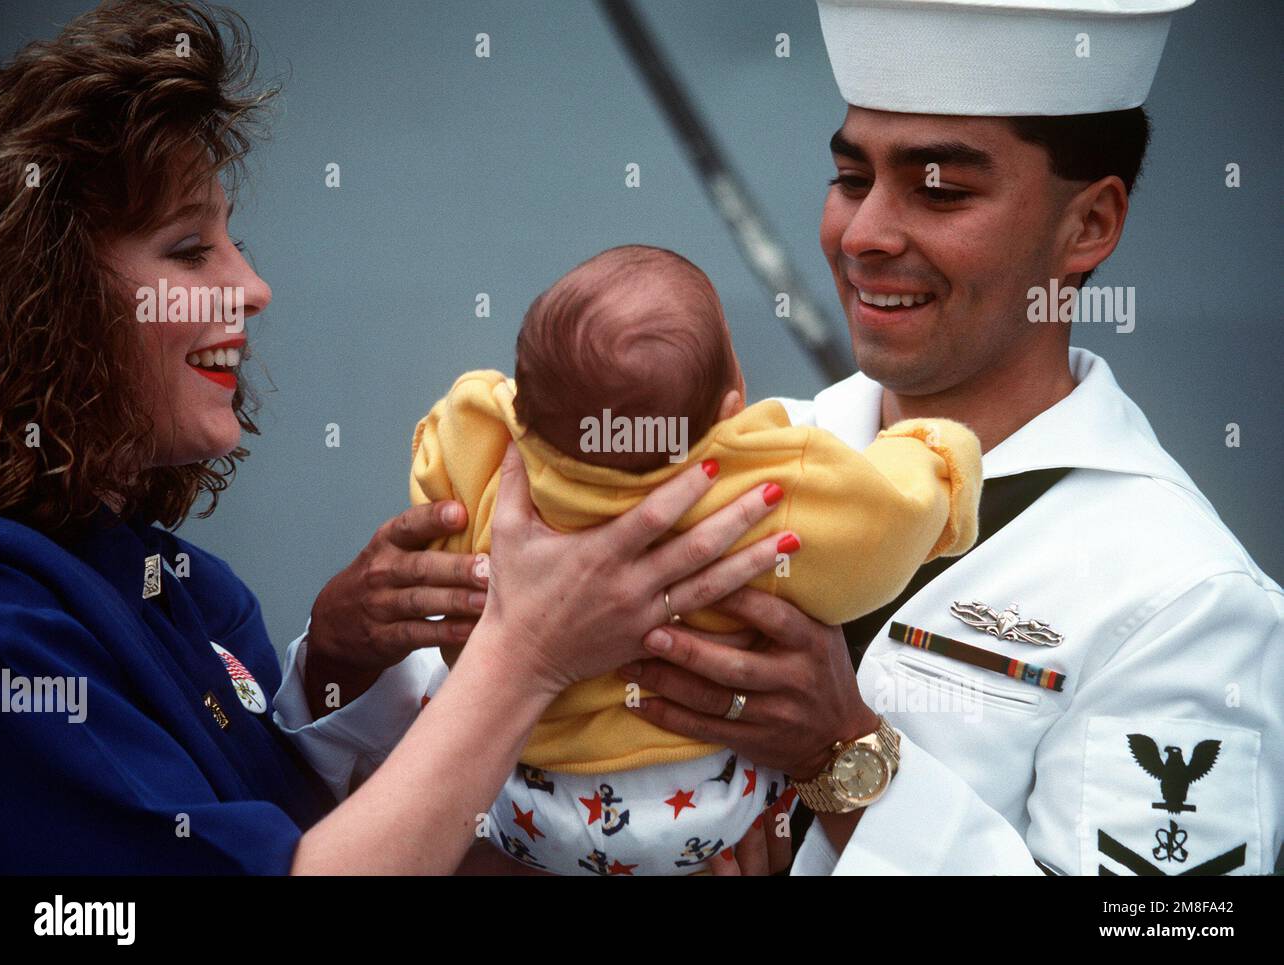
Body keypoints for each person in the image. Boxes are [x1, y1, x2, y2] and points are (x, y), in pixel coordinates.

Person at [287, 0, 1282, 876]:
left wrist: (847, 762)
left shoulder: (1183, 597)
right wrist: (339, 652)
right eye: (852, 178)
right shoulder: (717, 464)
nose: (864, 233)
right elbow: (400, 768)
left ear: (1088, 224)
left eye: (939, 191)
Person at [0, 0, 785, 875]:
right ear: (46, 299)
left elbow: (334, 835)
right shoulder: (5, 636)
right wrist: (531, 651)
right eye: (188, 250)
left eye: (233, 241)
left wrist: (338, 663)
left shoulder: (184, 591)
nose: (252, 287)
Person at [394, 244, 980, 874]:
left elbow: (441, 453)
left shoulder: (492, 447)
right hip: (695, 815)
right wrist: (933, 451)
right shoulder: (766, 483)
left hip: (514, 797)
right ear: (733, 409)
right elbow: (886, 526)